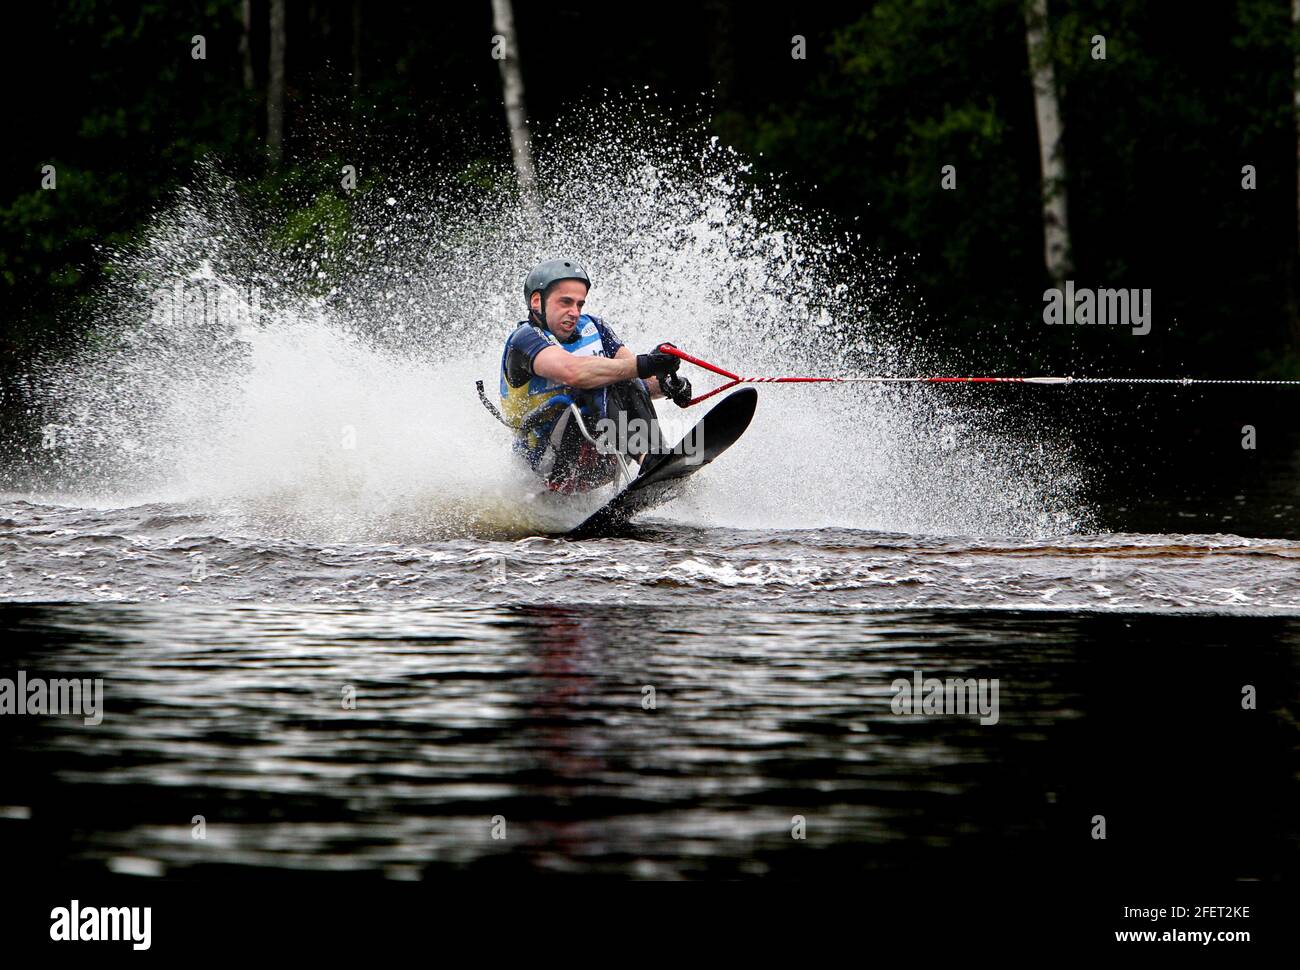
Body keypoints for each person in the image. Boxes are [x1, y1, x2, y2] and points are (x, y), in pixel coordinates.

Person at [499, 258, 692, 492]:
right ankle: (651, 460)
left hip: (599, 458)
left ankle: (660, 461)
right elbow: (576, 373)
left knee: (619, 377)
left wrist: (667, 383)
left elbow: (636, 380)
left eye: (579, 304)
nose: (574, 313)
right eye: (566, 302)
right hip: (546, 465)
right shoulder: (524, 339)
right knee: (598, 379)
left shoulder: (596, 327)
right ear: (537, 302)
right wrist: (644, 364)